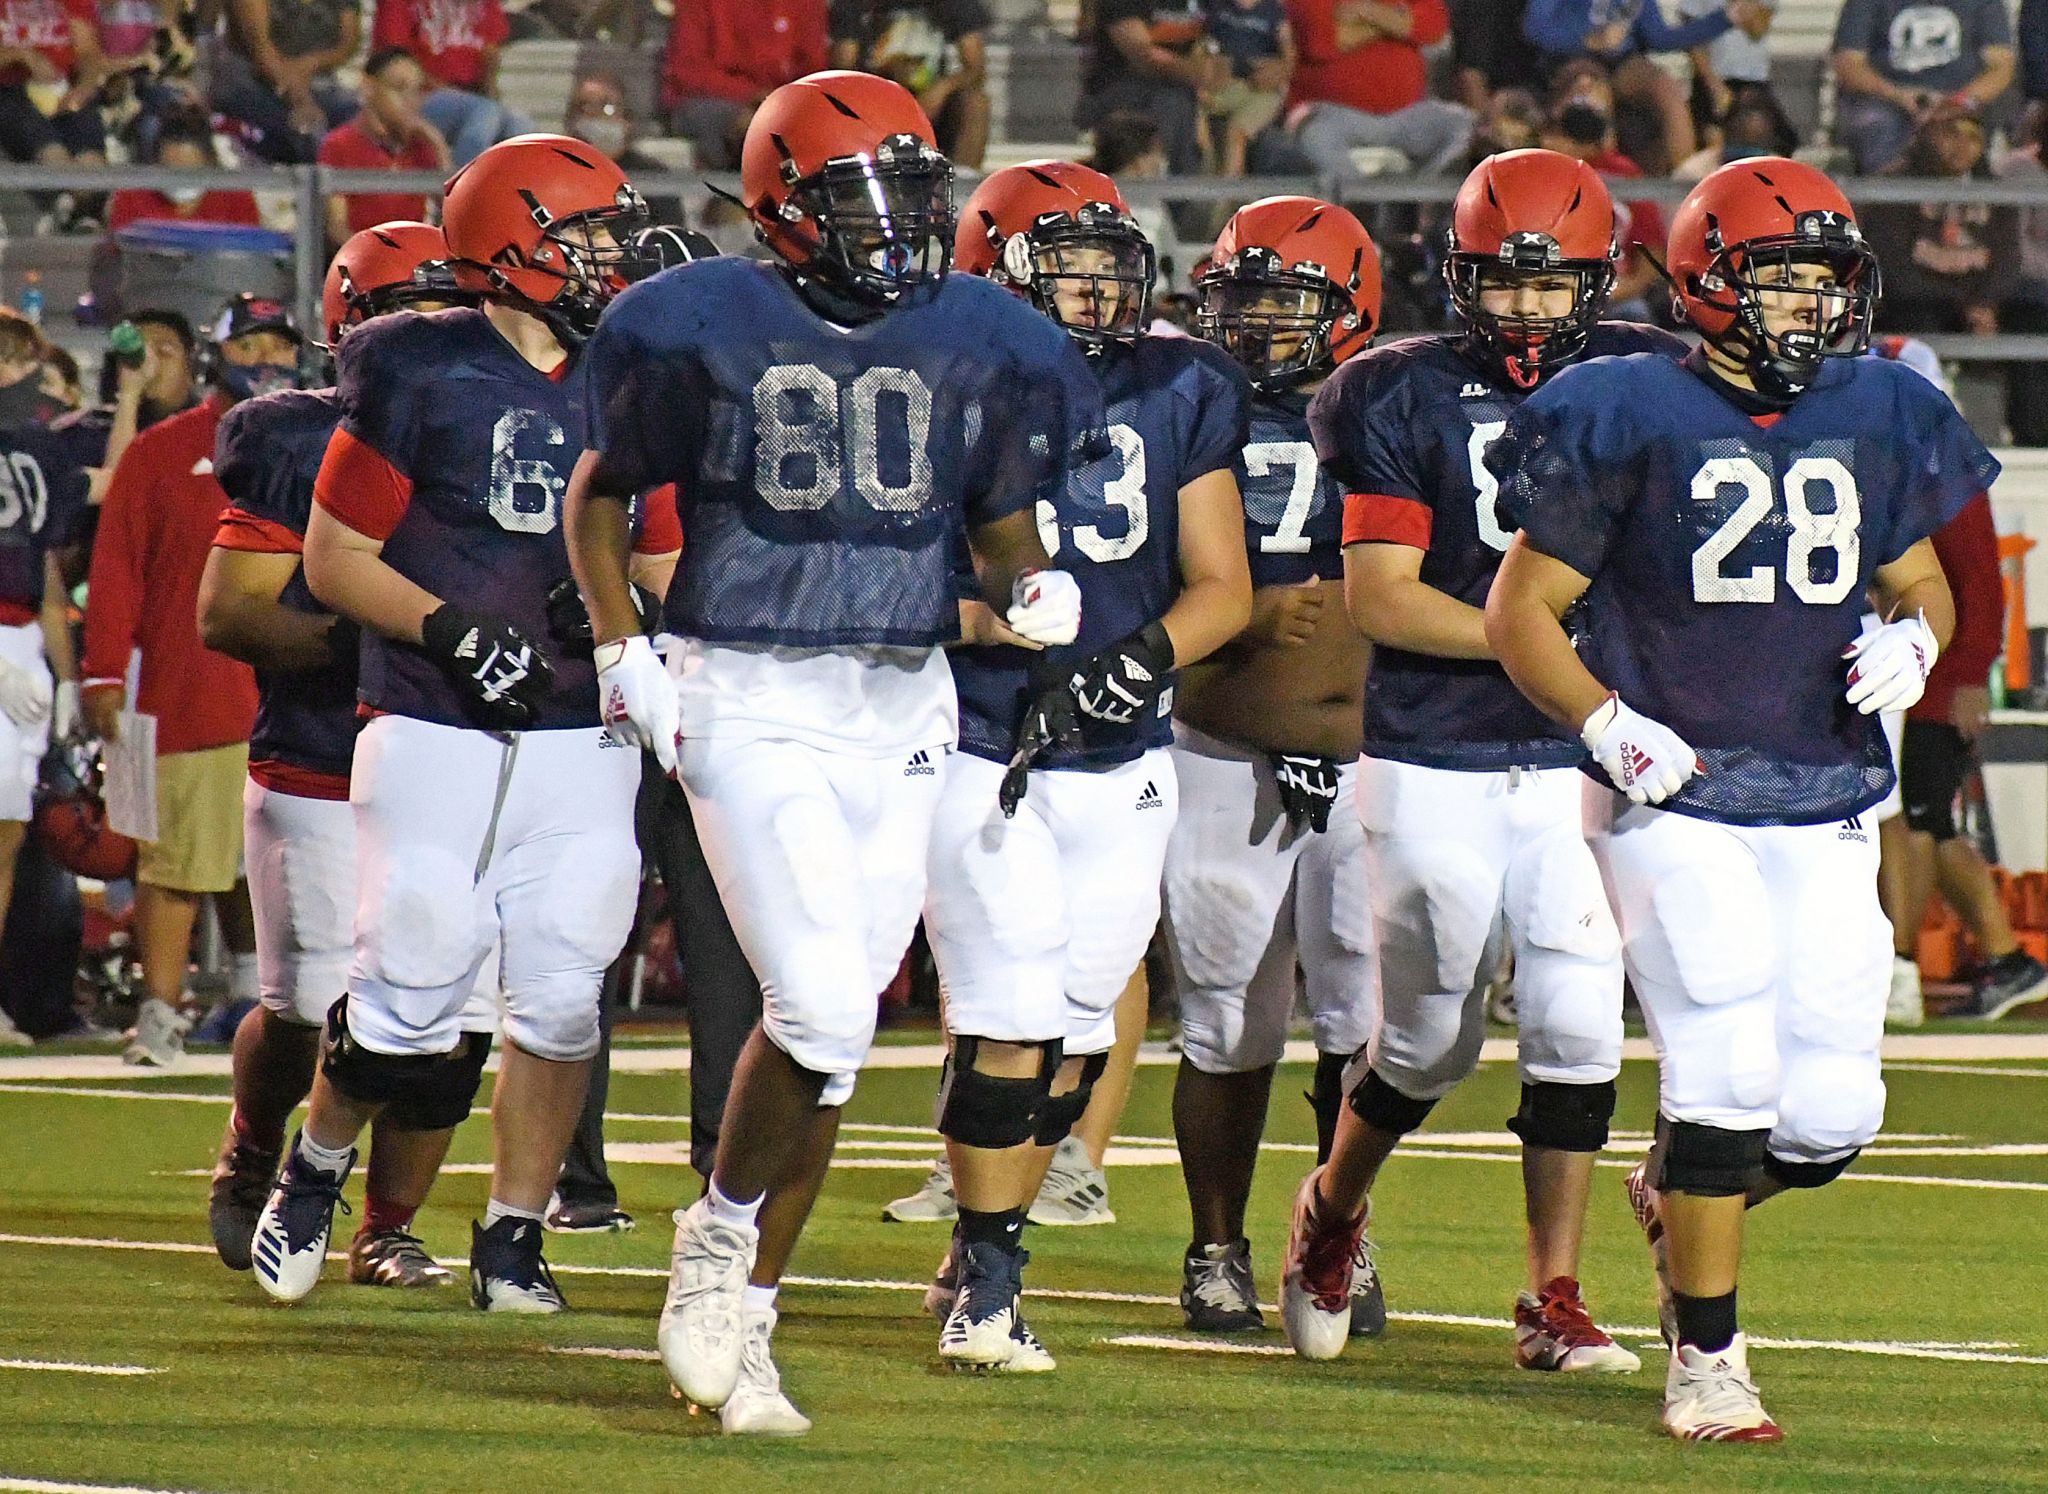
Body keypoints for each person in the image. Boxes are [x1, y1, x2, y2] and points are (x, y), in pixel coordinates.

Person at [565, 71, 1102, 1433]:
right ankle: (716, 1243)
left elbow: (999, 514)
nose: (895, 228)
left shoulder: (980, 329)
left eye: (915, 197)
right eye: (860, 199)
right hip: (745, 684)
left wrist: (1034, 582)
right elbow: (604, 493)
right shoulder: (697, 323)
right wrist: (622, 639)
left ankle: (749, 1313)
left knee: (836, 1045)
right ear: (777, 205)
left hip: (905, 696)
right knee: (818, 1004)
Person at [1483, 156, 1992, 1440]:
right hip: (1677, 786)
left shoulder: (1875, 404)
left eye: (1826, 281)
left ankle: (1676, 1197)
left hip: (1822, 791)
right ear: (1709, 277)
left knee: (1829, 1116)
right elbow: (1518, 611)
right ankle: (1706, 1357)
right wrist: (1602, 720)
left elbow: (1917, 581)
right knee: (1716, 1057)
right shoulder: (1622, 405)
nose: (1810, 308)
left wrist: (1918, 639)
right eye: (1780, 279)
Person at [247, 135, 672, 1315]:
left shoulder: (629, 369)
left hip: (579, 730)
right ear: (511, 243)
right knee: (411, 971)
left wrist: (621, 607)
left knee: (562, 986)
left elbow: (671, 560)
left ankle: (513, 1235)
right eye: (584, 234)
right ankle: (316, 1168)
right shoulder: (417, 364)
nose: (609, 258)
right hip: (430, 719)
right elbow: (335, 562)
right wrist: (446, 627)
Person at [1278, 149, 1675, 1371]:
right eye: (1498, 284)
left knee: (1574, 1021)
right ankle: (1330, 1210)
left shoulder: (1655, 379)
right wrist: (1546, 650)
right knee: (1424, 1042)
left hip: (1577, 761)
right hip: (1437, 752)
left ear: (1598, 277)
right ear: (1457, 278)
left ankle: (1550, 1295)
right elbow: (1384, 601)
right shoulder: (1392, 393)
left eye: (1548, 284)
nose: (1521, 309)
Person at [917, 159, 1250, 1370]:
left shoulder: (1180, 383)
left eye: (1113, 268)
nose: (1099, 293)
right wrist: (986, 624)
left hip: (1125, 750)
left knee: (1069, 1025)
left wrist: (1140, 661)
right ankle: (991, 1284)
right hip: (977, 734)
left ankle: (977, 1235)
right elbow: (890, 577)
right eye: (1067, 269)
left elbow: (1224, 586)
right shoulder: (936, 380)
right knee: (1004, 1004)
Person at [197, 221, 509, 1292]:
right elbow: (231, 613)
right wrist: (399, 636)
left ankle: (387, 1222)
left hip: (475, 754)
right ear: (352, 330)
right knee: (308, 1004)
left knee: (456, 1025)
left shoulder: (523, 421)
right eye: (405, 314)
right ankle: (252, 1146)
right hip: (328, 757)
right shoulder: (293, 438)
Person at [1164, 195, 1378, 1334]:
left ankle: (1337, 1229)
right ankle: (1215, 1247)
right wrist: (1240, 619)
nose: (1256, 327)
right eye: (1239, 300)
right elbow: (1132, 576)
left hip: (1363, 752)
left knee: (1363, 1019)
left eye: (1286, 303)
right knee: (1225, 1020)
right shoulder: (1178, 397)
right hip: (1215, 740)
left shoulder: (1394, 402)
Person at [82, 295, 286, 1068]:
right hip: (184, 694)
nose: (266, 362)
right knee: (174, 865)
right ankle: (160, 1013)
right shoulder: (164, 451)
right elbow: (116, 569)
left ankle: (249, 997)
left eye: (277, 345)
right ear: (218, 354)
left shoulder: (318, 440)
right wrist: (103, 671)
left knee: (258, 862)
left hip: (288, 696)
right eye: (251, 346)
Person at [1878, 492, 2048, 1021]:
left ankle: (1899, 970)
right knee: (1932, 826)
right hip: (1915, 679)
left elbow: (1979, 579)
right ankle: (2006, 959)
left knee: (1913, 823)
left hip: (1936, 683)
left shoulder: (1940, 472)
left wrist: (1972, 675)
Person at [1521, 0, 1763, 170]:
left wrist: (1725, 19)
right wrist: (1590, 39)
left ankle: (1683, 186)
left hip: (1622, 61)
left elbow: (1659, 38)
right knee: (1592, 89)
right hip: (1571, 59)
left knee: (1666, 88)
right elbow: (1536, 28)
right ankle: (1603, 175)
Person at [1860, 102, 2018, 337]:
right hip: (1914, 302)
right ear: (1927, 136)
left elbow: (2007, 259)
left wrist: (1984, 304)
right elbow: (1891, 263)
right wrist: (1958, 304)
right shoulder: (1892, 187)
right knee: (1919, 320)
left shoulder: (1997, 194)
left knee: (2031, 319)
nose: (1962, 145)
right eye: (1950, 134)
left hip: (1977, 302)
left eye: (1972, 137)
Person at [1282, 0, 1474, 177]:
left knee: (1464, 124)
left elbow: (1434, 27)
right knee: (1315, 134)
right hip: (1331, 114)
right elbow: (1324, 40)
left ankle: (1412, 199)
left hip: (1406, 114)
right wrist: (1398, 19)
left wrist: (1367, 11)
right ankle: (1355, 207)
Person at [1832, 0, 2015, 173]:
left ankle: (1963, 200)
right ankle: (1891, 201)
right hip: (1886, 101)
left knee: (1963, 134)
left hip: (1961, 104)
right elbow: (1848, 63)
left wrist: (1955, 103)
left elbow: (2001, 66)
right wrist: (1898, 95)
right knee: (1879, 125)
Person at [661, 0, 827, 169]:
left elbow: (813, 68)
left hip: (783, 102)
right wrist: (754, 96)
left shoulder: (807, 4)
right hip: (710, 99)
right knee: (749, 127)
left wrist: (783, 101)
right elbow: (688, 71)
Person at [828, 0, 990, 168]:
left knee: (976, 103)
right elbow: (844, 69)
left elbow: (975, 68)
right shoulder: (854, 6)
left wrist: (940, 90)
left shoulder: (955, 5)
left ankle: (964, 181)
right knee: (841, 102)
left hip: (931, 105)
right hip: (874, 103)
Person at [316, 48, 451, 249]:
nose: (410, 101)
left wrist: (438, 146)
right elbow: (336, 228)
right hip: (361, 261)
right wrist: (379, 255)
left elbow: (454, 214)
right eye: (399, 88)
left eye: (416, 91)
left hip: (414, 261)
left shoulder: (421, 146)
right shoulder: (339, 145)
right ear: (369, 87)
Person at [371, 0, 532, 165]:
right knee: (484, 114)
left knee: (520, 126)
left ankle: (511, 188)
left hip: (472, 95)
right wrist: (441, 87)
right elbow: (393, 58)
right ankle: (461, 186)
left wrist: (489, 84)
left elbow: (490, 50)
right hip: (419, 95)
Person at [0, 0, 111, 228]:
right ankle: (77, 208)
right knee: (44, 141)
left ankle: (79, 207)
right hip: (9, 88)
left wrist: (83, 88)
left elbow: (88, 53)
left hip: (62, 88)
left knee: (88, 150)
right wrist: (23, 54)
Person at [211, 0, 364, 162]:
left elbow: (348, 43)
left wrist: (310, 64)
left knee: (356, 122)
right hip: (255, 80)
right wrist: (301, 101)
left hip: (317, 81)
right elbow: (262, 52)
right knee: (306, 135)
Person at [1079, 0, 1219, 177]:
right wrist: (1200, 75)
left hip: (1185, 89)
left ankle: (1188, 192)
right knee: (1172, 102)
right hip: (1118, 88)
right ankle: (1164, 191)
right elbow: (1142, 55)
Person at [107, 111, 263, 229]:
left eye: (189, 173)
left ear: (211, 162)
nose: (179, 181)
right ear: (155, 163)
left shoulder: (236, 197)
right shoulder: (131, 197)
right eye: (170, 170)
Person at [1198, 0, 1291, 174]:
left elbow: (1288, 56)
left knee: (1237, 131)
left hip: (1260, 89)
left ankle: (1228, 195)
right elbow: (1202, 40)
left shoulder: (1273, 10)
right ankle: (1204, 186)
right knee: (1195, 116)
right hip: (1224, 84)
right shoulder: (1217, 6)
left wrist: (1276, 72)